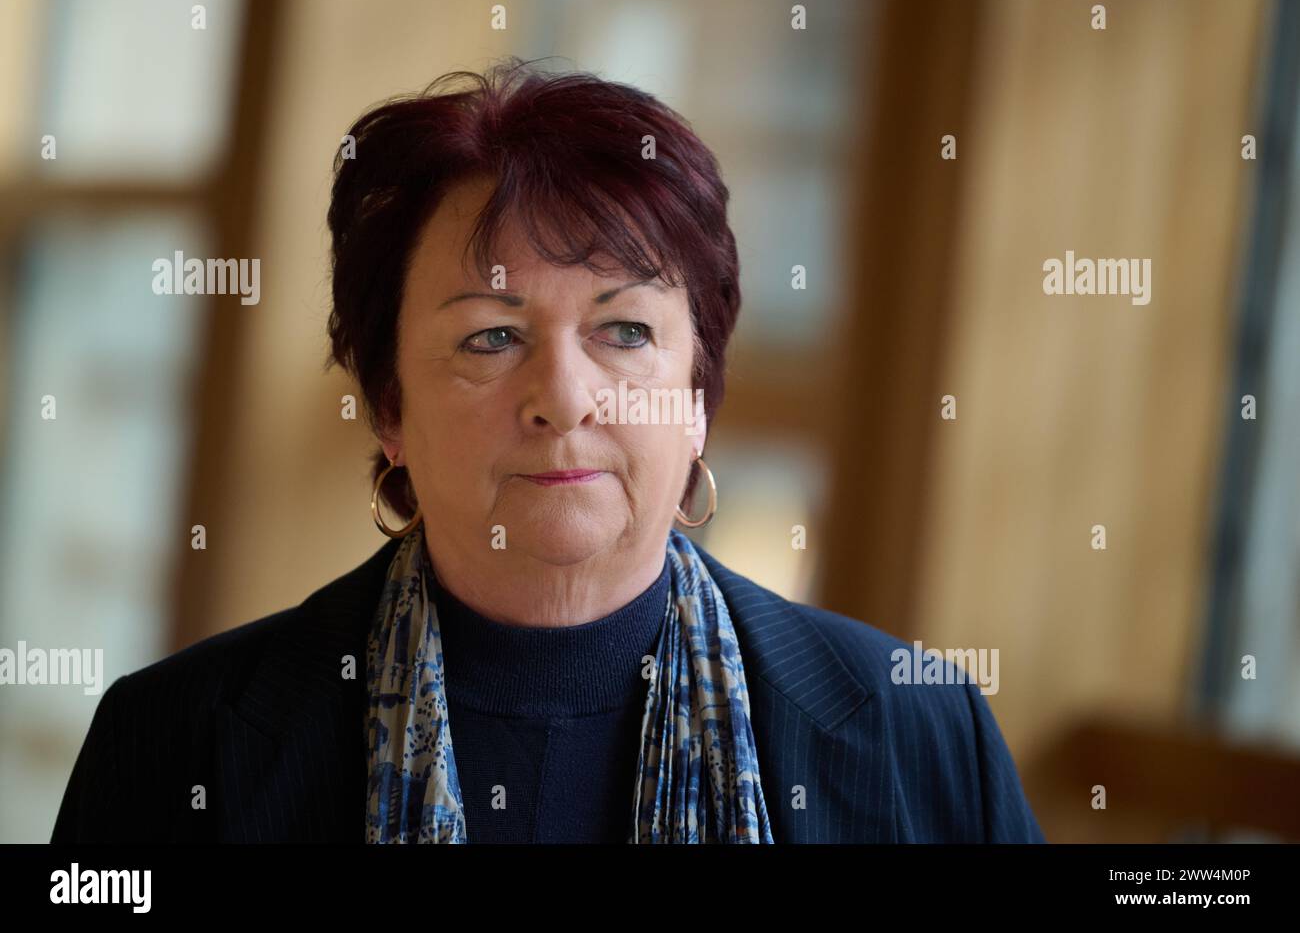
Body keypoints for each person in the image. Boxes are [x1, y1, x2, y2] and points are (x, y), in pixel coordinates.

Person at [51, 58, 1045, 844]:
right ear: (388, 405)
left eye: (623, 331)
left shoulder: (916, 730)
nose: (563, 399)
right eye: (490, 336)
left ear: (697, 394)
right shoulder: (172, 739)